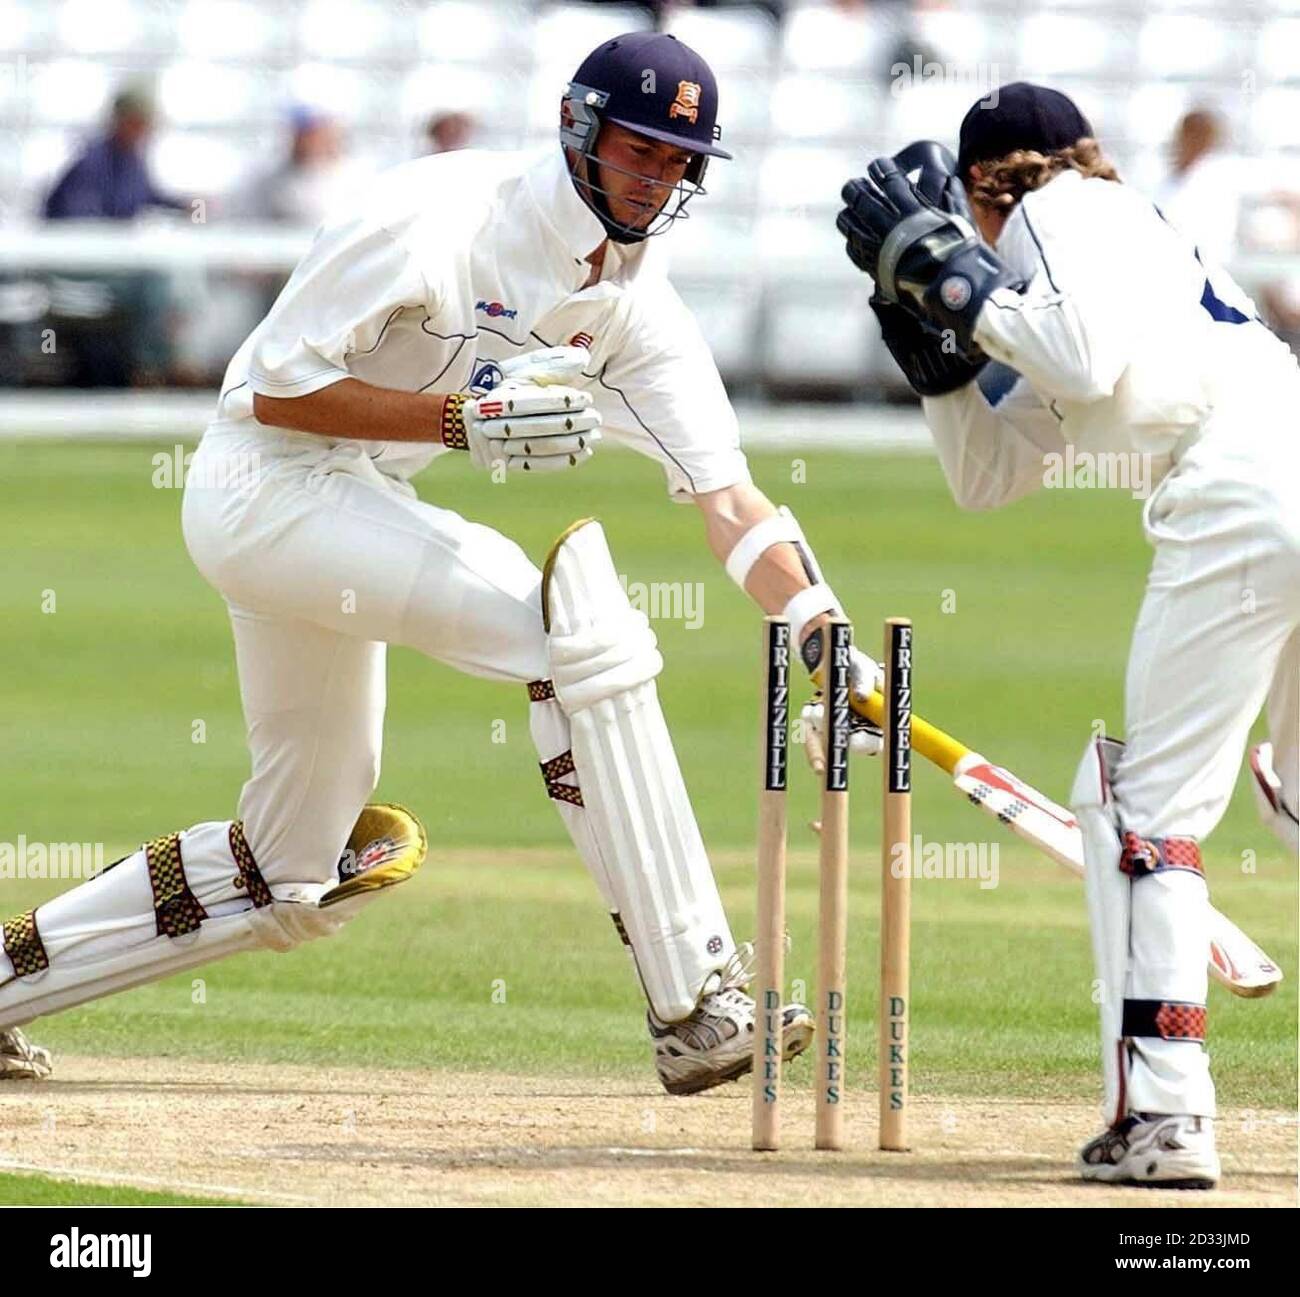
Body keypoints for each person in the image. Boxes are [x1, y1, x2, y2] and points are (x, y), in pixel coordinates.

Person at [2, 33, 883, 1097]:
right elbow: (275, 389)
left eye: (677, 163)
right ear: (579, 129)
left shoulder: (634, 310)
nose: (656, 180)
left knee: (292, 871)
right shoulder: (435, 217)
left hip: (354, 510)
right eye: (638, 150)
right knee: (574, 633)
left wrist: (825, 634)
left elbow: (729, 501)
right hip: (265, 485)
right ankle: (697, 999)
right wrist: (459, 419)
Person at [837, 83, 1299, 1187]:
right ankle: (1163, 1111)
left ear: (987, 184)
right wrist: (936, 342)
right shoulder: (1104, 255)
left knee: (1146, 814)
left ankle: (1165, 1119)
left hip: (1241, 489)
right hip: (1285, 460)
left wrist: (953, 280)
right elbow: (991, 475)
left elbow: (1077, 361)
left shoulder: (1069, 207)